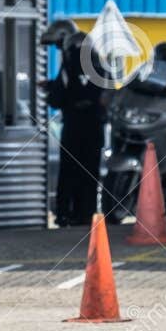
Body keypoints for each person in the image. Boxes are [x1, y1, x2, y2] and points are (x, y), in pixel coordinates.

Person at [40, 21, 106, 227]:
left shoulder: (72, 59)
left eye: (57, 44)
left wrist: (51, 92)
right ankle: (84, 214)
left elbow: (63, 93)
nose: (57, 48)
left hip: (76, 125)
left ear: (65, 38)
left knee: (69, 170)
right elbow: (90, 89)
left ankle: (66, 214)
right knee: (89, 171)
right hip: (95, 125)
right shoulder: (95, 58)